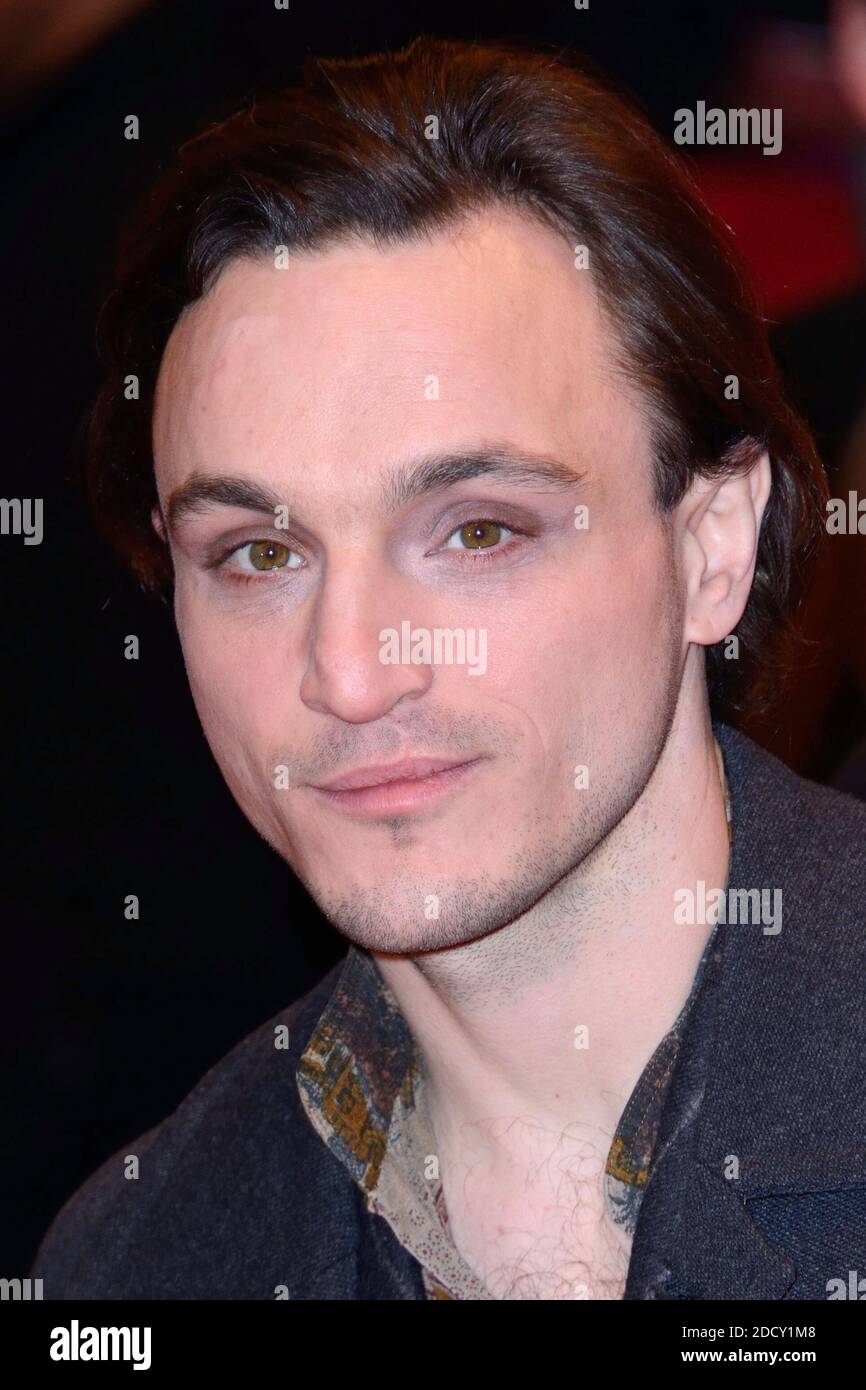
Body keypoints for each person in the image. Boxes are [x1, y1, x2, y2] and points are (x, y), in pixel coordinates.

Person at [32, 35, 866, 1301]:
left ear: (709, 547)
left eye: (477, 531)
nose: (353, 673)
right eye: (259, 553)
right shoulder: (132, 1264)